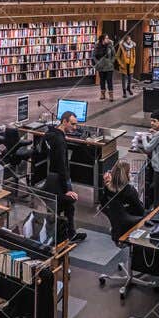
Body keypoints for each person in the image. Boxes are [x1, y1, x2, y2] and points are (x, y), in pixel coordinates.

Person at [43, 112, 87, 243]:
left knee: (64, 207)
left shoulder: (51, 134)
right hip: (60, 179)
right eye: (72, 124)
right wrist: (67, 188)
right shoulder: (60, 140)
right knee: (69, 203)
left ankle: (67, 233)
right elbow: (62, 165)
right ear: (64, 121)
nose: (75, 127)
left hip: (51, 177)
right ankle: (66, 235)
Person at [98, 160, 146, 242]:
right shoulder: (130, 190)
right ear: (126, 174)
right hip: (129, 218)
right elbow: (140, 211)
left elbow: (103, 204)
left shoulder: (107, 187)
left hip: (116, 216)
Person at [92, 33, 115, 100]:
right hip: (101, 67)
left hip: (109, 67)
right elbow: (93, 56)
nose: (108, 39)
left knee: (109, 80)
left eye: (108, 38)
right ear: (103, 39)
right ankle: (102, 94)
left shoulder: (110, 46)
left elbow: (114, 55)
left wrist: (111, 62)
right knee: (102, 80)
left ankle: (111, 95)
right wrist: (97, 63)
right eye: (106, 38)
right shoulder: (97, 46)